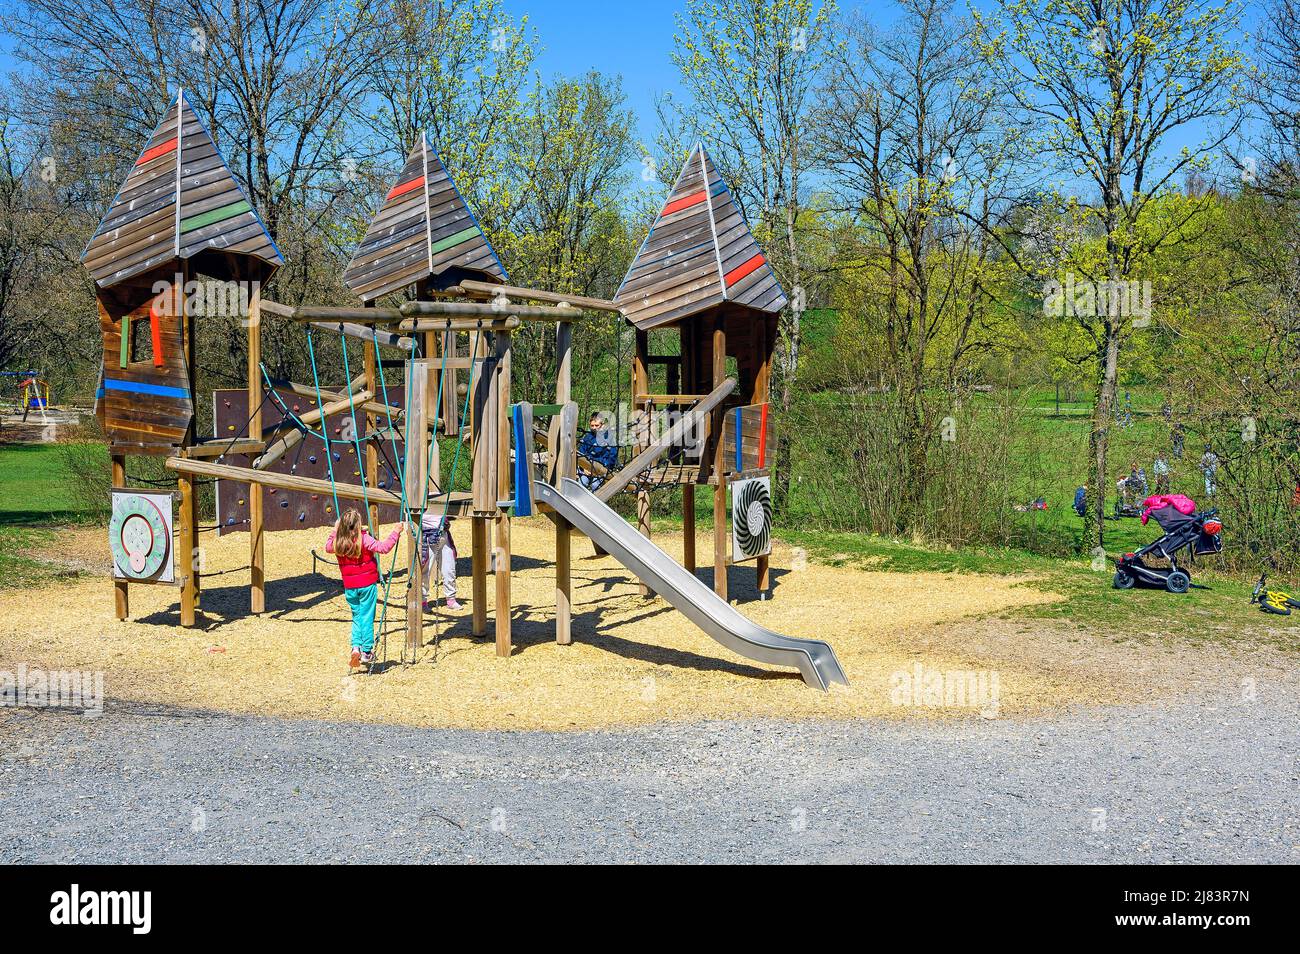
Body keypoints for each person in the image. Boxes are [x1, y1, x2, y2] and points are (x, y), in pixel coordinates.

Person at [325, 509, 401, 669]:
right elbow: (384, 548)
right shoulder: (364, 539)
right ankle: (366, 651)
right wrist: (396, 532)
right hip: (367, 585)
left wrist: (335, 530)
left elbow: (327, 547)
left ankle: (355, 647)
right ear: (358, 525)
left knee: (357, 616)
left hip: (350, 587)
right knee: (366, 616)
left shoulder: (338, 542)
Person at [419, 512, 460, 612]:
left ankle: (451, 598)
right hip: (426, 534)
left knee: (449, 568)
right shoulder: (418, 498)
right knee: (425, 570)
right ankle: (422, 600)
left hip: (442, 532)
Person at [577, 412, 619, 490]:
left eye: (597, 425)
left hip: (601, 469)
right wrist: (584, 467)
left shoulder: (609, 439)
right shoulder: (588, 438)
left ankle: (593, 501)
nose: (594, 428)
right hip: (587, 468)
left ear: (603, 425)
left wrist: (601, 469)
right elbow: (581, 453)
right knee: (582, 483)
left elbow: (612, 457)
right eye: (592, 425)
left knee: (595, 485)